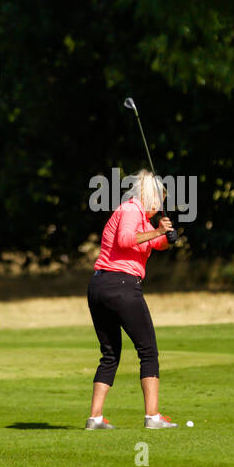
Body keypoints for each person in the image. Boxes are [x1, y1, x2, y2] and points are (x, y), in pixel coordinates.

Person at [85, 170, 177, 430]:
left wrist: (167, 238)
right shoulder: (130, 210)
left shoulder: (143, 220)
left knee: (110, 354)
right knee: (148, 351)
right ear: (149, 196)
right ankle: (152, 417)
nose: (160, 205)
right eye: (159, 199)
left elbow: (156, 244)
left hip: (100, 286)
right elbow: (126, 241)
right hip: (122, 285)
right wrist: (158, 230)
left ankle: (95, 418)